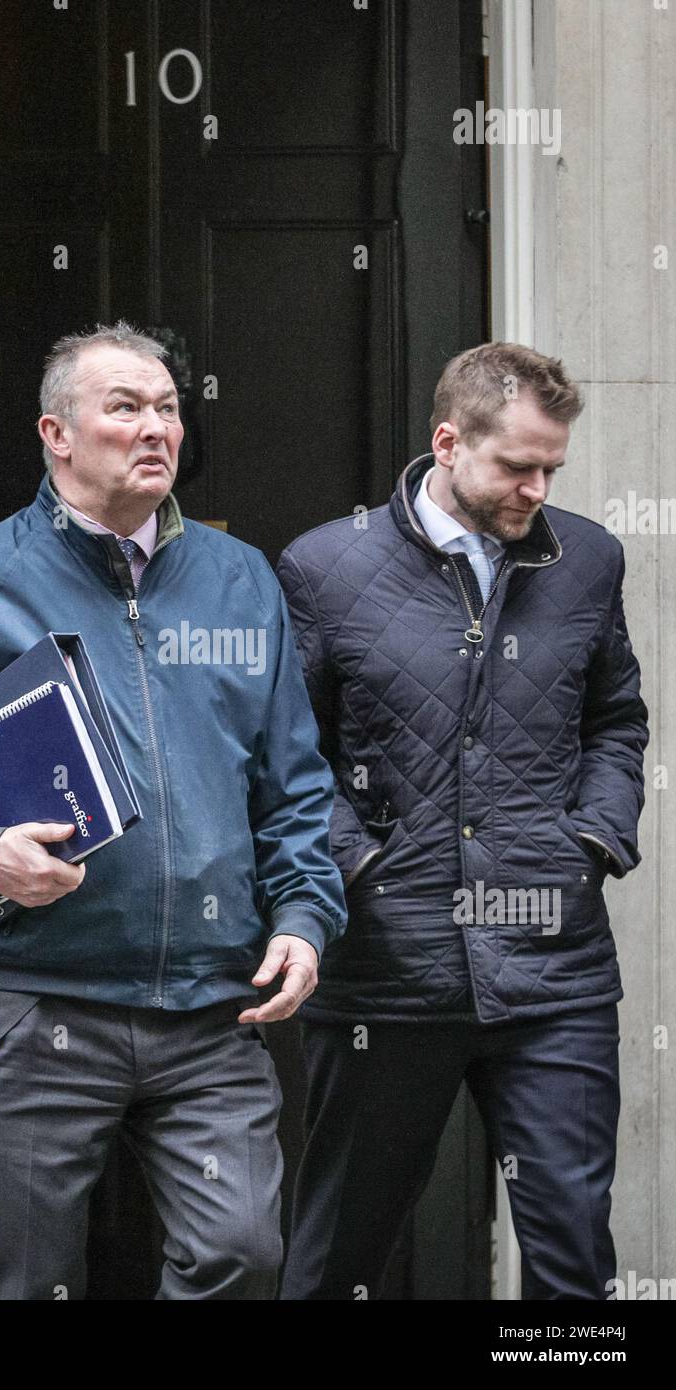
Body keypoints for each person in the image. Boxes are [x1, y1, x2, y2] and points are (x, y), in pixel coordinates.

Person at [0, 321, 347, 1299]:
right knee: (24, 1285)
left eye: (167, 408)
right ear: (55, 434)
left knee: (244, 1254)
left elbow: (293, 784)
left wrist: (305, 917)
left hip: (210, 1011)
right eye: (124, 408)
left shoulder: (241, 585)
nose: (155, 427)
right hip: (31, 1007)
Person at [276, 342, 648, 1301]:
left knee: (574, 1261)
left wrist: (594, 840)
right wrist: (357, 863)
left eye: (551, 469)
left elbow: (615, 717)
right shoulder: (324, 566)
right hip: (389, 973)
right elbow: (283, 751)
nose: (536, 487)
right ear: (448, 443)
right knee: (336, 1258)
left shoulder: (589, 559)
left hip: (553, 967)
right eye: (516, 466)